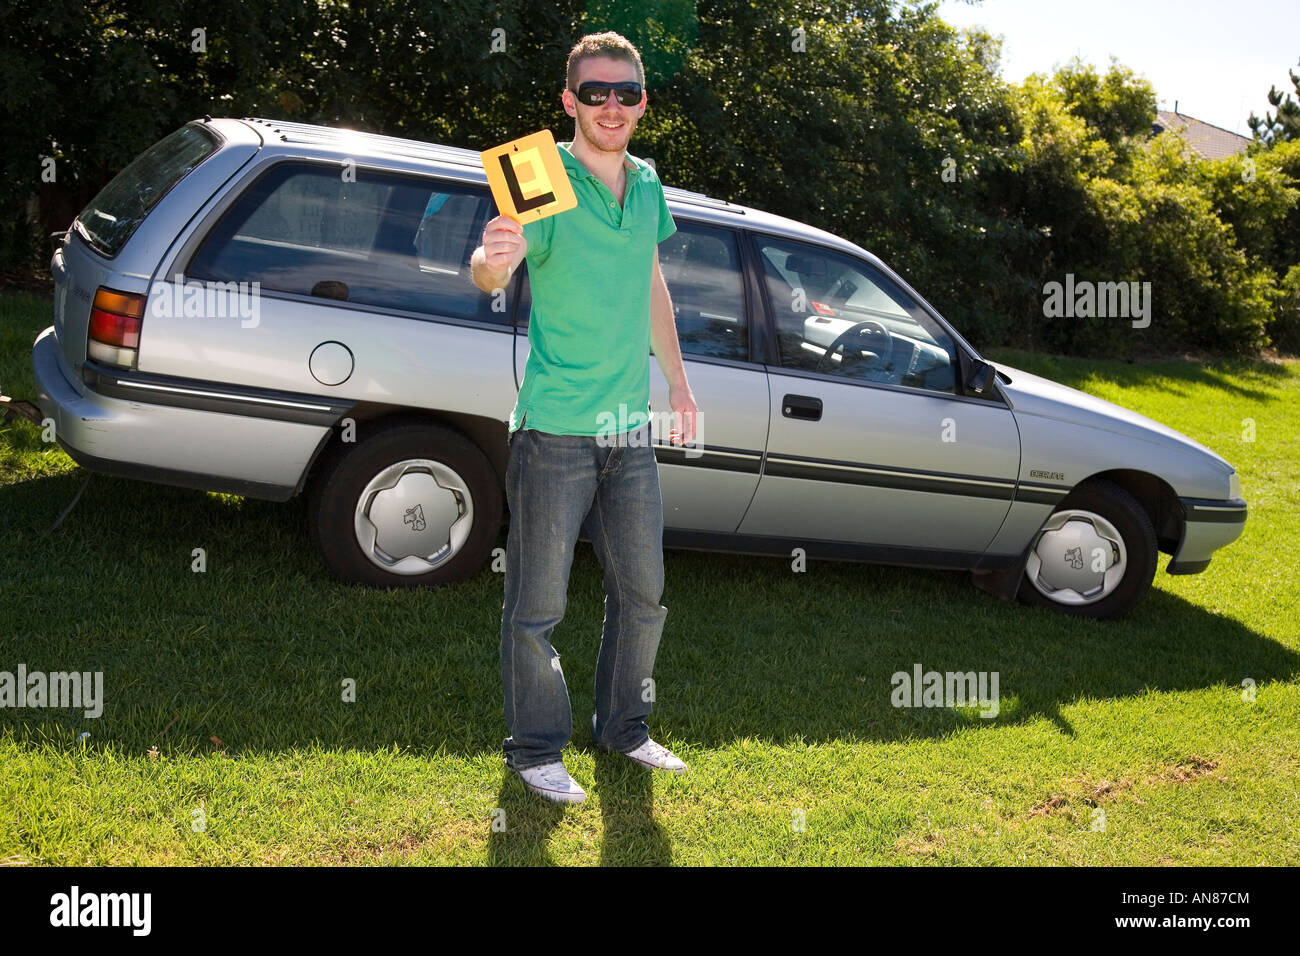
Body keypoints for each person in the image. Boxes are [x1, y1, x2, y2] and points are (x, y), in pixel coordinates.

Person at [470, 31, 698, 804]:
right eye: (594, 92)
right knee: (537, 607)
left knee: (644, 594)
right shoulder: (539, 177)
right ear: (570, 101)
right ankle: (535, 748)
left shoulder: (650, 184)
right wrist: (494, 260)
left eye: (625, 92)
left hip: (627, 432)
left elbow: (651, 285)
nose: (611, 105)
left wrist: (680, 384)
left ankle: (622, 729)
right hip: (554, 430)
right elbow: (489, 267)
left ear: (642, 101)